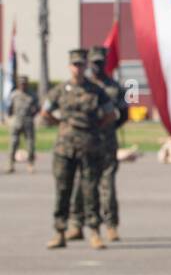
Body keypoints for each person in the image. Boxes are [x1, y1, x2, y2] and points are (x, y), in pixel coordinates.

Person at [40, 48, 118, 249]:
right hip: (65, 149)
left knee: (90, 190)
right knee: (63, 189)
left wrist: (95, 127)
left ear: (86, 66)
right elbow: (45, 112)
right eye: (75, 64)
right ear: (69, 66)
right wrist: (61, 124)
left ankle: (94, 231)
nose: (78, 68)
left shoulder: (98, 90)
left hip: (90, 147)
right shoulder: (59, 90)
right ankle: (60, 231)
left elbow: (112, 114)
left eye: (81, 64)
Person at [68, 46, 129, 241]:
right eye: (94, 63)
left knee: (107, 186)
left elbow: (124, 114)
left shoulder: (115, 87)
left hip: (107, 143)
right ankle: (76, 224)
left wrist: (109, 127)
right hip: (84, 142)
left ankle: (111, 225)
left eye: (101, 63)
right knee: (81, 184)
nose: (97, 67)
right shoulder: (82, 87)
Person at [5, 74, 38, 173]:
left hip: (28, 121)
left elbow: (37, 107)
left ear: (27, 83)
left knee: (30, 144)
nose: (22, 85)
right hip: (16, 121)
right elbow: (9, 108)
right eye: (21, 83)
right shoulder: (14, 94)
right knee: (13, 143)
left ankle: (30, 164)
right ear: (18, 84)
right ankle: (10, 164)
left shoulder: (32, 94)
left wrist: (32, 114)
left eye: (24, 83)